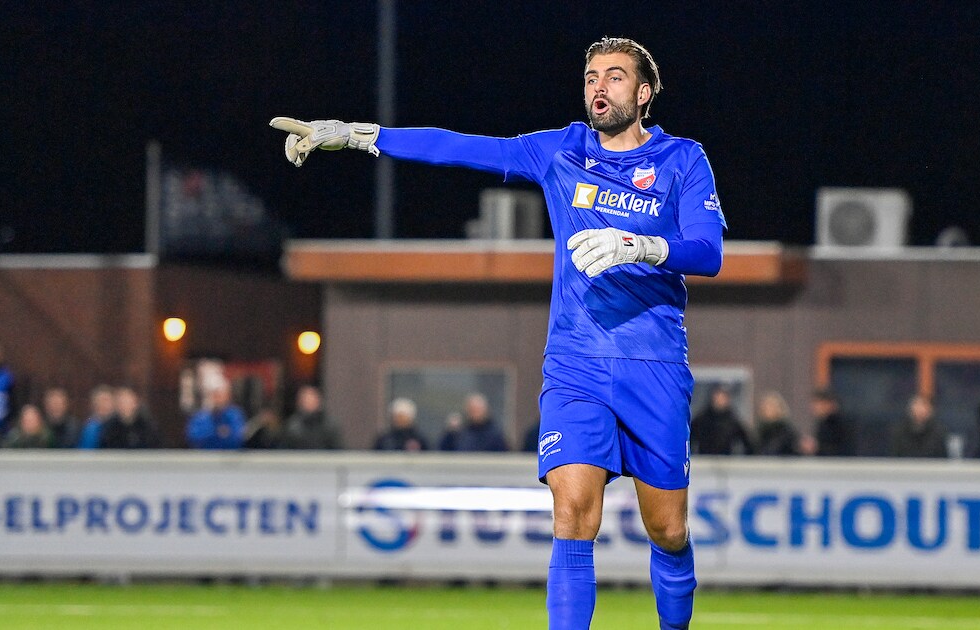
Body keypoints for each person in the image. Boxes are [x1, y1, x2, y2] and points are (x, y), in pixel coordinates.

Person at [271, 36, 724, 629]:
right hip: (575, 364)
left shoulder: (683, 159)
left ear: (642, 93)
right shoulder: (561, 151)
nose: (599, 87)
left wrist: (641, 245)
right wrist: (361, 135)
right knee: (572, 513)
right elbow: (459, 148)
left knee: (666, 531)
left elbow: (709, 252)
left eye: (614, 77)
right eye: (591, 76)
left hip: (653, 364)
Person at [690, 385, 753, 455]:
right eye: (717, 397)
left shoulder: (733, 421)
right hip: (704, 460)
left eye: (722, 397)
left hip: (727, 461)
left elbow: (748, 443)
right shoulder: (701, 420)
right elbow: (690, 438)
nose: (720, 400)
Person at [185, 381, 246, 450]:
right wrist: (216, 432)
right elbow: (193, 437)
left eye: (222, 396)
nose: (219, 399)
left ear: (228, 397)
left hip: (230, 456)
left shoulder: (235, 415)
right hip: (205, 457)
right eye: (216, 395)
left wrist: (225, 435)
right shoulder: (200, 416)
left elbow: (239, 438)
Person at [440, 393, 510, 452]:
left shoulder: (495, 436)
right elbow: (444, 451)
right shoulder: (460, 433)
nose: (475, 413)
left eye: (478, 410)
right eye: (472, 410)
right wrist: (450, 433)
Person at [281, 385, 341, 450]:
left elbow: (337, 450)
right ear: (300, 402)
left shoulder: (329, 426)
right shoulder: (293, 426)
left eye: (312, 399)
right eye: (306, 400)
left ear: (319, 401)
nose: (309, 402)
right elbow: (286, 451)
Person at [802, 388, 856, 456]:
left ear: (829, 404)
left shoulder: (839, 425)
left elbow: (840, 450)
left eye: (818, 404)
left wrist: (817, 448)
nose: (814, 408)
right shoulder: (823, 424)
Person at [753, 391, 799, 456]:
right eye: (765, 407)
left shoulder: (786, 431)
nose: (767, 410)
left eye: (771, 407)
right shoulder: (760, 431)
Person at [78, 385, 113, 449]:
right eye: (100, 401)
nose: (103, 405)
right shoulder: (90, 428)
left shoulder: (118, 427)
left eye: (106, 401)